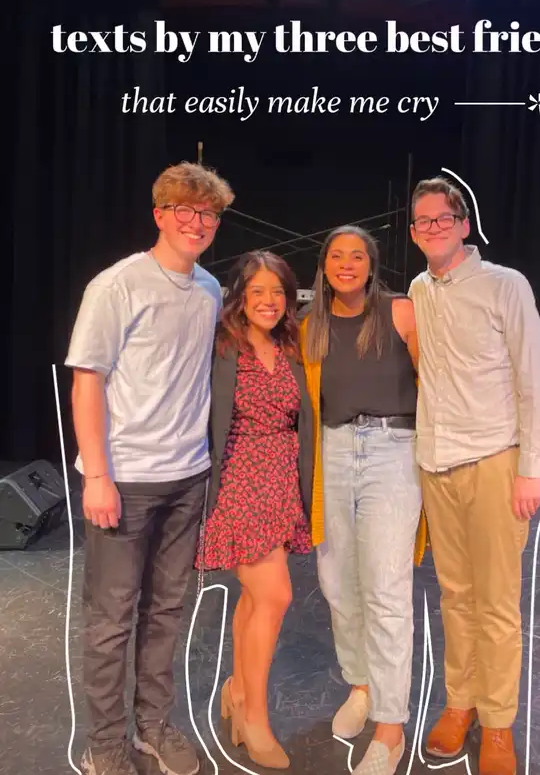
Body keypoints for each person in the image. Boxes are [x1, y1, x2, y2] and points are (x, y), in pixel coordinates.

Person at [65, 161, 234, 775]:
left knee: (166, 611)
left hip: (187, 478)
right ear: (160, 214)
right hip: (126, 480)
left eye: (208, 214)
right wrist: (98, 477)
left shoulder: (210, 290)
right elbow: (88, 381)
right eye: (185, 210)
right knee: (111, 620)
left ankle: (153, 727)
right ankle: (105, 744)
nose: (197, 223)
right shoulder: (117, 286)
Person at [407, 177, 540, 775]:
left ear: (464, 225)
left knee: (496, 603)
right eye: (423, 221)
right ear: (413, 232)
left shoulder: (505, 285)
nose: (433, 228)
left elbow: (534, 378)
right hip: (436, 465)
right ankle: (459, 702)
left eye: (443, 218)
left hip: (495, 461)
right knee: (455, 597)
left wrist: (530, 469)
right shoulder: (418, 290)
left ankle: (497, 723)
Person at [299, 226, 429, 775]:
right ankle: (361, 685)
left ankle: (391, 726)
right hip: (331, 453)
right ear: (324, 265)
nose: (347, 264)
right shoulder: (310, 325)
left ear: (372, 265)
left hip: (391, 450)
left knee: (386, 589)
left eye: (357, 256)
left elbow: (436, 382)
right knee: (336, 582)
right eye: (337, 255)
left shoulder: (400, 312)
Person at [196, 250, 314, 771]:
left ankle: (238, 690)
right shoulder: (221, 345)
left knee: (254, 597)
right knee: (275, 595)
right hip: (239, 479)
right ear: (239, 297)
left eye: (277, 291)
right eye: (257, 291)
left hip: (283, 480)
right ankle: (255, 719)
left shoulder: (292, 345)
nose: (268, 301)